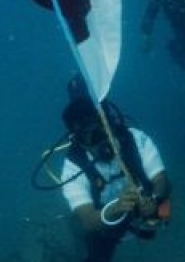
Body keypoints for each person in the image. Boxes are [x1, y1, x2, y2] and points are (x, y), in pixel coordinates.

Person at [60, 96, 171, 262]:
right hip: (105, 224)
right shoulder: (73, 168)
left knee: (165, 198)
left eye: (102, 130)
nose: (101, 140)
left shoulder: (134, 140)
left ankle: (157, 223)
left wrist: (154, 199)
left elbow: (160, 179)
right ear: (79, 142)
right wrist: (116, 208)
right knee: (94, 251)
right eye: (90, 135)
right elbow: (88, 220)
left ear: (110, 125)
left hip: (145, 205)